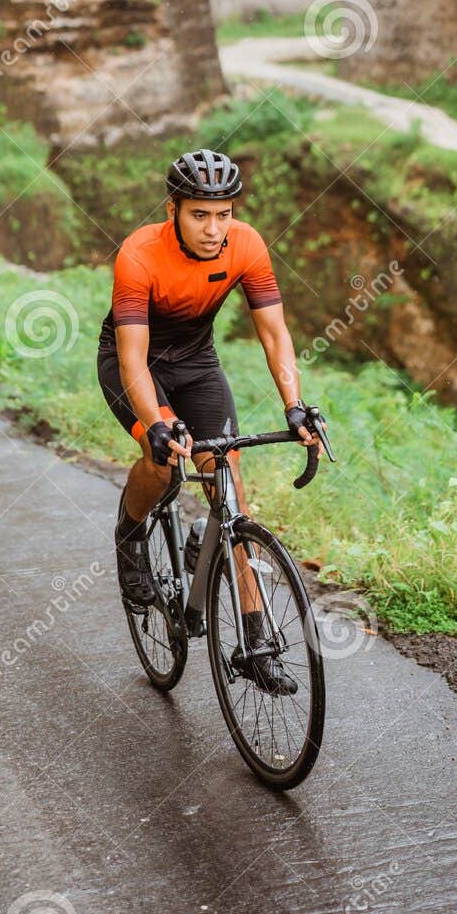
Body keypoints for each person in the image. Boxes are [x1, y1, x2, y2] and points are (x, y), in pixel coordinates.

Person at [96, 147, 320, 695]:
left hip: (197, 363)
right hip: (136, 363)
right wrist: (157, 424)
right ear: (174, 208)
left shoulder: (246, 245)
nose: (214, 228)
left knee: (231, 485)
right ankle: (130, 533)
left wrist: (294, 404)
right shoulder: (139, 255)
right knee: (165, 463)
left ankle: (253, 637)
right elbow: (131, 357)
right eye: (200, 214)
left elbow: (274, 333)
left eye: (224, 214)